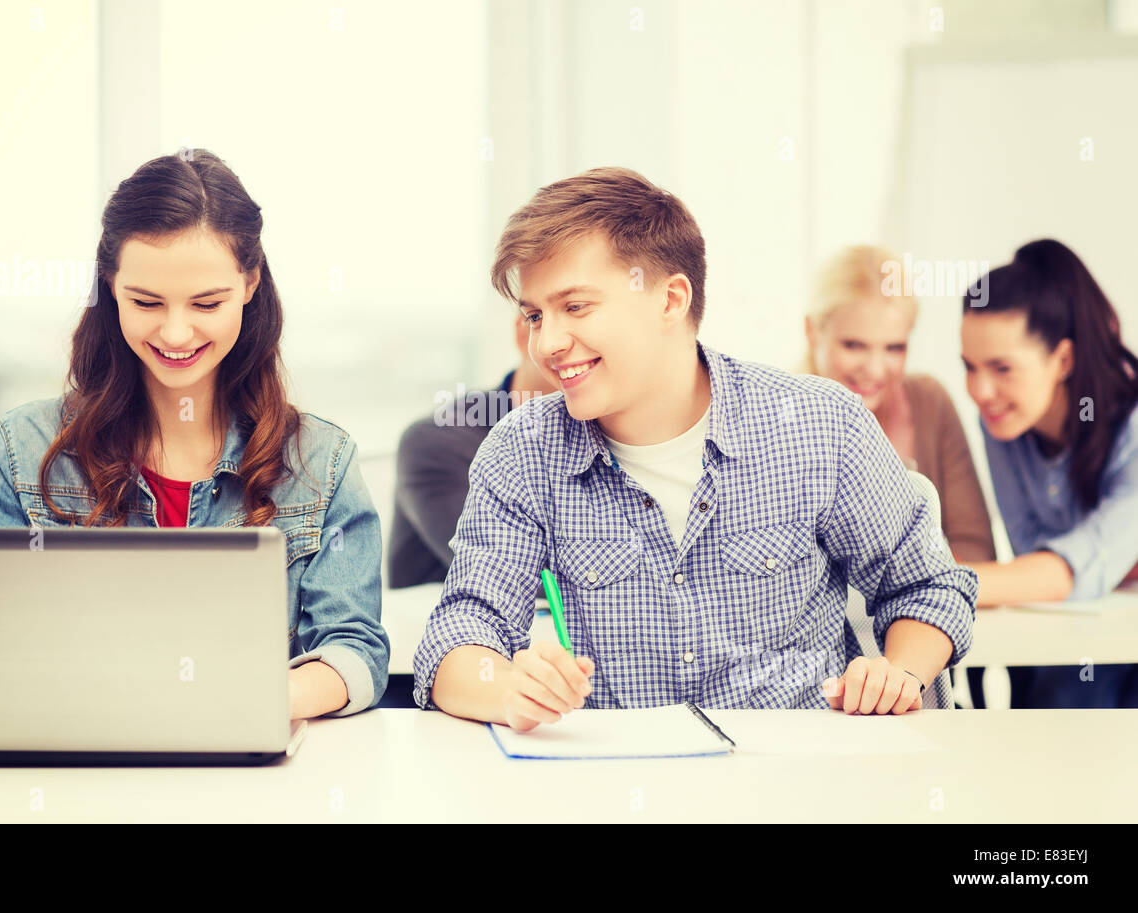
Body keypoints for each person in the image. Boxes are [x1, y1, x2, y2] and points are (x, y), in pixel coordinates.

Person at [413, 167, 977, 730]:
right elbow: (462, 630)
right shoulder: (522, 450)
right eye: (536, 315)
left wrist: (897, 674)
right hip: (627, 784)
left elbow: (925, 586)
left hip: (801, 781)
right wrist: (509, 690)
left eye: (576, 307)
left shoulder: (821, 424)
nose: (548, 343)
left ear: (670, 300)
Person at [0, 149, 389, 719]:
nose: (174, 332)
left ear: (249, 282)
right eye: (145, 302)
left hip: (253, 778)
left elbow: (355, 651)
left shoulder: (320, 460)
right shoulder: (25, 450)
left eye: (206, 303)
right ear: (110, 288)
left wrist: (252, 704)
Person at [961, 239, 1138, 707]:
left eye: (1002, 368)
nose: (981, 391)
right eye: (970, 367)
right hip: (1073, 632)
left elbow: (1071, 571)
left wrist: (940, 582)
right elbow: (1031, 549)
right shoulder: (1002, 419)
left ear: (1062, 359)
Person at [804, 245, 995, 563]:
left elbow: (977, 552)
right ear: (812, 332)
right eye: (854, 345)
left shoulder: (930, 403)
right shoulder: (777, 416)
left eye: (894, 348)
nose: (876, 370)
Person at [387, 314, 555, 587]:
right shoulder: (439, 442)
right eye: (537, 317)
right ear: (524, 334)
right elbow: (506, 572)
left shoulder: (604, 437)